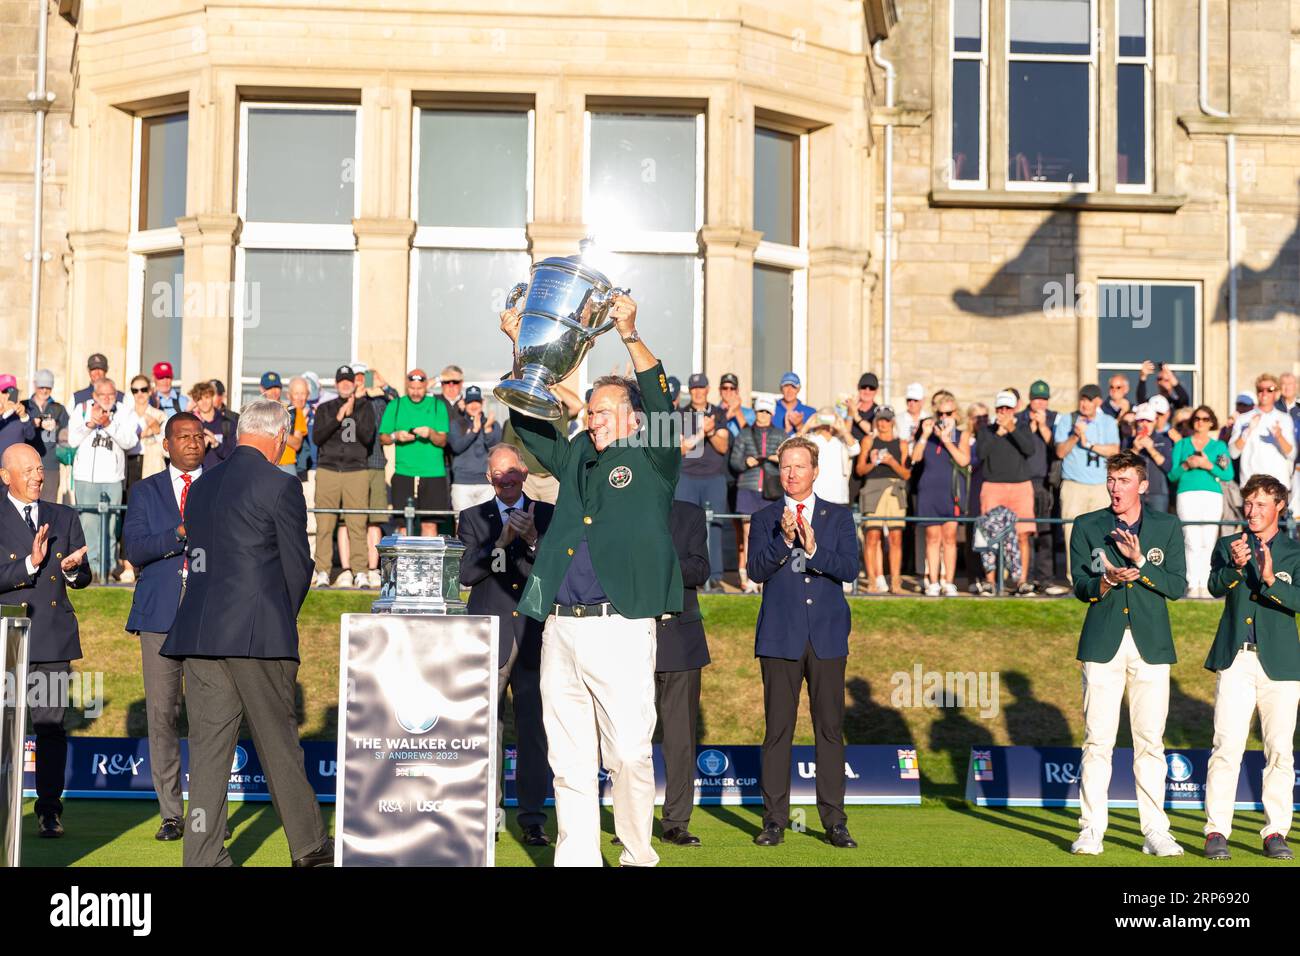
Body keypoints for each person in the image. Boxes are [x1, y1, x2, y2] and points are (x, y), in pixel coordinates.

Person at [500, 291, 680, 868]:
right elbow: (529, 426)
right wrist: (520, 352)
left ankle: (635, 854)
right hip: (561, 626)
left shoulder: (655, 453)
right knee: (569, 756)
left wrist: (630, 333)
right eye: (590, 411)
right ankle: (576, 858)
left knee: (628, 753)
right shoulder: (578, 451)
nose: (590, 417)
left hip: (621, 623)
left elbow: (659, 396)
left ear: (632, 418)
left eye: (601, 410)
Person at [161, 400, 332, 867]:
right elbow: (298, 567)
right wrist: (281, 615)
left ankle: (202, 855)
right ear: (277, 437)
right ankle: (310, 847)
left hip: (198, 634)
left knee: (209, 755)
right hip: (258, 636)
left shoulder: (201, 486)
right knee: (278, 745)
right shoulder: (281, 484)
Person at [1068, 450, 1186, 858]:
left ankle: (1155, 831)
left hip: (1150, 644)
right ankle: (1091, 830)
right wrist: (1105, 580)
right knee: (1097, 740)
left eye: (1124, 480)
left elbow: (1176, 586)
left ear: (1143, 484)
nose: (1115, 488)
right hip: (1103, 643)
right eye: (1112, 480)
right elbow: (1080, 585)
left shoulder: (1167, 526)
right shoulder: (1087, 525)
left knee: (1150, 742)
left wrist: (1139, 562)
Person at [747, 436, 859, 850]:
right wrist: (782, 541)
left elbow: (849, 567)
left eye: (799, 466)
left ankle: (834, 822)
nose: (791, 474)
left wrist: (812, 547)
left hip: (828, 637)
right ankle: (774, 821)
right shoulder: (763, 518)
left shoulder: (838, 516)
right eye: (785, 466)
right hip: (780, 637)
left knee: (829, 731)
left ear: (815, 470)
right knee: (778, 731)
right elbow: (756, 570)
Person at [457, 443, 554, 848]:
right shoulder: (473, 518)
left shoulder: (548, 514)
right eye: (499, 476)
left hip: (535, 632)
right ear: (488, 479)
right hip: (488, 633)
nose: (507, 481)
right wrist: (501, 540)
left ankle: (533, 818)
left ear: (525, 473)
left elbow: (557, 570)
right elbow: (465, 574)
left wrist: (533, 541)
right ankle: (486, 814)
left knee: (533, 730)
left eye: (513, 473)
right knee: (486, 730)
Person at [1202, 474, 1300, 861]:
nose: (1252, 511)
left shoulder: (1294, 551)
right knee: (1226, 746)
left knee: (1280, 750)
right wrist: (1234, 568)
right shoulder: (1230, 545)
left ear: (1279, 506)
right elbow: (1213, 585)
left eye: (1261, 504)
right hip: (1236, 658)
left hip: (1282, 662)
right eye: (1248, 503)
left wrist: (1272, 579)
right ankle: (1216, 831)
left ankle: (1275, 830)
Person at [122, 412, 206, 841]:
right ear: (166, 445)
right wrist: (179, 532)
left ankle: (207, 816)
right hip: (158, 617)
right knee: (162, 715)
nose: (192, 442)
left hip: (211, 615)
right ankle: (172, 813)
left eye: (198, 436)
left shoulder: (221, 485)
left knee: (211, 718)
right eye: (183, 437)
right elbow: (134, 547)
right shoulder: (145, 491)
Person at [0, 443, 90, 837]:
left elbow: (84, 577)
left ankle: (49, 810)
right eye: (29, 470)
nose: (38, 476)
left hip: (52, 638)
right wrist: (30, 565)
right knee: (5, 731)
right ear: (6, 476)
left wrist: (72, 571)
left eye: (40, 469)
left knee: (51, 728)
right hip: (8, 639)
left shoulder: (63, 516)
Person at [653, 499, 711, 846]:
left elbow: (700, 569)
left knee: (679, 740)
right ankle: (634, 818)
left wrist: (659, 562)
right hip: (630, 638)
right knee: (630, 740)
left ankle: (676, 821)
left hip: (681, 639)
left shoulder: (689, 514)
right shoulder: (621, 508)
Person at [312, 365, 377, 589]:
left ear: (355, 383)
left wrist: (353, 415)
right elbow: (318, 437)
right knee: (325, 524)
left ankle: (360, 571)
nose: (345, 384)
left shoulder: (365, 408)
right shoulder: (326, 408)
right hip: (328, 469)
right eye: (341, 381)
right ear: (336, 383)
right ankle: (322, 571)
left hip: (356, 470)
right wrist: (339, 417)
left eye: (349, 381)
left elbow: (368, 438)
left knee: (357, 525)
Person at [68, 378, 136, 582]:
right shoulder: (81, 408)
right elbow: (72, 440)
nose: (107, 399)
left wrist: (109, 424)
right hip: (85, 478)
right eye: (102, 395)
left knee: (111, 524)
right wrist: (90, 424)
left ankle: (107, 568)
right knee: (88, 524)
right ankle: (93, 570)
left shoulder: (123, 411)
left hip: (113, 478)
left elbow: (130, 441)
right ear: (94, 396)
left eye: (111, 395)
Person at [1055, 384, 1122, 578]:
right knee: (1071, 531)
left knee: (1102, 532)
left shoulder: (1108, 422)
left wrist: (1089, 444)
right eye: (1082, 399)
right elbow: (1060, 452)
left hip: (1100, 486)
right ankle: (1075, 576)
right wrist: (1076, 436)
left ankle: (1101, 575)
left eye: (1089, 400)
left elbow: (1114, 450)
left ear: (1098, 402)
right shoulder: (1068, 420)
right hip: (1073, 485)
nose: (1085, 404)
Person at [910, 390, 972, 596]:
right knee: (932, 537)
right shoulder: (928, 436)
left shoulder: (961, 435)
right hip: (929, 491)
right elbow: (915, 458)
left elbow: (964, 460)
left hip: (951, 491)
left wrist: (946, 440)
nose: (944, 418)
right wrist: (926, 435)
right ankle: (934, 581)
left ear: (956, 414)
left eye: (948, 413)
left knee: (950, 537)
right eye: (941, 414)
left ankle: (949, 581)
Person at [1169, 405, 1234, 598]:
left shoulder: (1219, 447)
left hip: (1211, 495)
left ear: (1211, 422)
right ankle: (1192, 583)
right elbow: (1172, 474)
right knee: (1190, 538)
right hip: (1187, 494)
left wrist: (1207, 464)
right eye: (1197, 418)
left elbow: (1227, 473)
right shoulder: (1181, 445)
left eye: (1205, 419)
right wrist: (1187, 464)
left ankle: (1205, 584)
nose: (1201, 422)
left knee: (1208, 538)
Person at [976, 390, 1036, 595]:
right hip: (993, 486)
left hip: (1020, 486)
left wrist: (1011, 430)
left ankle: (1021, 581)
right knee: (989, 534)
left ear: (1014, 409)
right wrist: (998, 434)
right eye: (1000, 408)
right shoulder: (986, 430)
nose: (1003, 412)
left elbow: (1030, 449)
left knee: (1022, 534)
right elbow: (981, 454)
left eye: (1007, 408)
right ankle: (990, 582)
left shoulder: (1023, 427)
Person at [674, 373, 730, 590]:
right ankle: (688, 576)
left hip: (713, 478)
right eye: (694, 388)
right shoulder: (680, 414)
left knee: (715, 525)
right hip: (686, 477)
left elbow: (723, 446)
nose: (698, 392)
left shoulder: (717, 413)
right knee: (684, 527)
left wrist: (712, 429)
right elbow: (679, 449)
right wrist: (701, 431)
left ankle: (715, 576)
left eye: (701, 388)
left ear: (708, 389)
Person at [379, 368, 450, 537]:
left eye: (419, 388)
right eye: (412, 388)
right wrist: (397, 436)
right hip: (404, 473)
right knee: (403, 526)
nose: (416, 392)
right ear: (406, 385)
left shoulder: (437, 405)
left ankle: (429, 563)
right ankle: (404, 563)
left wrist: (431, 433)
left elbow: (443, 441)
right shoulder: (395, 405)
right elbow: (383, 438)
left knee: (429, 525)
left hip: (433, 474)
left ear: (426, 385)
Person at [344, 364, 396, 589]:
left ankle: (372, 568)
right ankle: (350, 570)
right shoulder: (344, 403)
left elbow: (398, 403)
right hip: (349, 468)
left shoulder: (378, 403)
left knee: (375, 518)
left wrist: (383, 384)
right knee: (349, 519)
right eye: (354, 378)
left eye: (361, 377)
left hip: (374, 464)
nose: (358, 382)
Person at [729, 396, 787, 594]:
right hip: (748, 489)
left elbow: (788, 461)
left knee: (772, 533)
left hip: (773, 490)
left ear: (771, 414)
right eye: (760, 411)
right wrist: (746, 462)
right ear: (755, 412)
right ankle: (752, 577)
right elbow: (734, 461)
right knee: (748, 535)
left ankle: (769, 576)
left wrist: (777, 459)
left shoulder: (781, 435)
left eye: (766, 412)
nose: (762, 415)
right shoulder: (744, 435)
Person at [856, 406, 910, 594]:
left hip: (895, 489)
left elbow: (906, 473)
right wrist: (874, 462)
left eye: (887, 419)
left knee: (896, 537)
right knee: (872, 535)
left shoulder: (902, 444)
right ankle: (872, 581)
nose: (883, 423)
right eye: (880, 419)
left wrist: (891, 462)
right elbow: (860, 470)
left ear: (893, 421)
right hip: (872, 489)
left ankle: (896, 582)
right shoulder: (869, 440)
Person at [1016, 380, 1064, 594]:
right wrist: (1030, 428)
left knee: (1045, 533)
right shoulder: (1019, 419)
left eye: (1044, 399)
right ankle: (1023, 579)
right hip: (1023, 480)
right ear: (1030, 399)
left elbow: (1058, 449)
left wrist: (1044, 427)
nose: (1040, 403)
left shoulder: (1056, 419)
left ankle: (1045, 579)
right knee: (1024, 532)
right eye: (1037, 399)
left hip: (1045, 482)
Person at [1229, 373, 1296, 487]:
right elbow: (1233, 453)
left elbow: (1292, 454)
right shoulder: (1243, 418)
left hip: (1278, 483)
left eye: (1270, 389)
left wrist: (1279, 437)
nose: (1264, 393)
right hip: (1251, 483)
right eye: (1261, 389)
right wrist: (1247, 432)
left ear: (1276, 393)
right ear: (1257, 393)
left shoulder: (1285, 419)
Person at [718, 371, 753, 576]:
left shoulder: (747, 413)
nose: (728, 392)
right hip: (721, 471)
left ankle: (744, 568)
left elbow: (751, 436)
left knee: (744, 522)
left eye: (732, 389)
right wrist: (725, 416)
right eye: (725, 388)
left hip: (742, 474)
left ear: (738, 391)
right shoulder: (715, 411)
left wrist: (737, 412)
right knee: (730, 521)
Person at [449, 386, 502, 514]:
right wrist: (474, 431)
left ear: (482, 403)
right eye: (470, 402)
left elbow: (495, 451)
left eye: (476, 402)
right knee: (462, 523)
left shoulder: (493, 424)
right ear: (464, 404)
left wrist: (487, 429)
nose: (473, 405)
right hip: (462, 483)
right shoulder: (456, 424)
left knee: (486, 524)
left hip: (486, 483)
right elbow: (456, 447)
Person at [800, 407, 859, 507]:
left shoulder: (842, 440)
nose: (827, 424)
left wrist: (843, 429)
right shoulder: (810, 439)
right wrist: (807, 426)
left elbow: (855, 449)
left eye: (830, 419)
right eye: (823, 418)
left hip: (839, 496)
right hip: (814, 496)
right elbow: (790, 447)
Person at [25, 369, 68, 503]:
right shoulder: (24, 406)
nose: (44, 391)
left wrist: (57, 426)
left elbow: (68, 432)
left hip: (50, 465)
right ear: (35, 385)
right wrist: (32, 423)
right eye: (41, 387)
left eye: (48, 387)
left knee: (48, 505)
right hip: (27, 464)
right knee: (26, 502)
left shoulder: (58, 408)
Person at [1124, 403, 1173, 514]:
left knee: (1158, 528)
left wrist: (1151, 450)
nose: (1144, 424)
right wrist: (1135, 450)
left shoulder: (1164, 440)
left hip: (1158, 493)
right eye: (1141, 420)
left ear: (1155, 421)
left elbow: (1168, 467)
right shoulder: (1128, 441)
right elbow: (1122, 467)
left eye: (1148, 420)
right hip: (1134, 492)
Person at [189, 381, 234, 471]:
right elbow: (185, 459)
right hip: (199, 479)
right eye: (199, 399)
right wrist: (200, 448)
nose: (204, 402)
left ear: (212, 397)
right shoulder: (191, 425)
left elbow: (233, 456)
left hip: (222, 478)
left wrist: (216, 444)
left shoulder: (227, 423)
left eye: (207, 397)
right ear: (195, 401)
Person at [278, 376, 310, 477]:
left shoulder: (297, 412)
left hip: (289, 466)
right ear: (289, 395)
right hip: (268, 463)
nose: (300, 398)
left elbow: (297, 443)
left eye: (303, 393)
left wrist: (278, 432)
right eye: (296, 393)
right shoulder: (268, 412)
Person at [0, 375, 36, 458]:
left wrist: (23, 416)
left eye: (12, 391)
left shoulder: (23, 411)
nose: (8, 395)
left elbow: (31, 436)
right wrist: (2, 411)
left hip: (14, 464)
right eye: (5, 391)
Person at [894, 382, 924, 451]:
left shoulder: (929, 418)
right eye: (909, 400)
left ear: (922, 401)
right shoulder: (897, 419)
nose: (912, 403)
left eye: (915, 400)